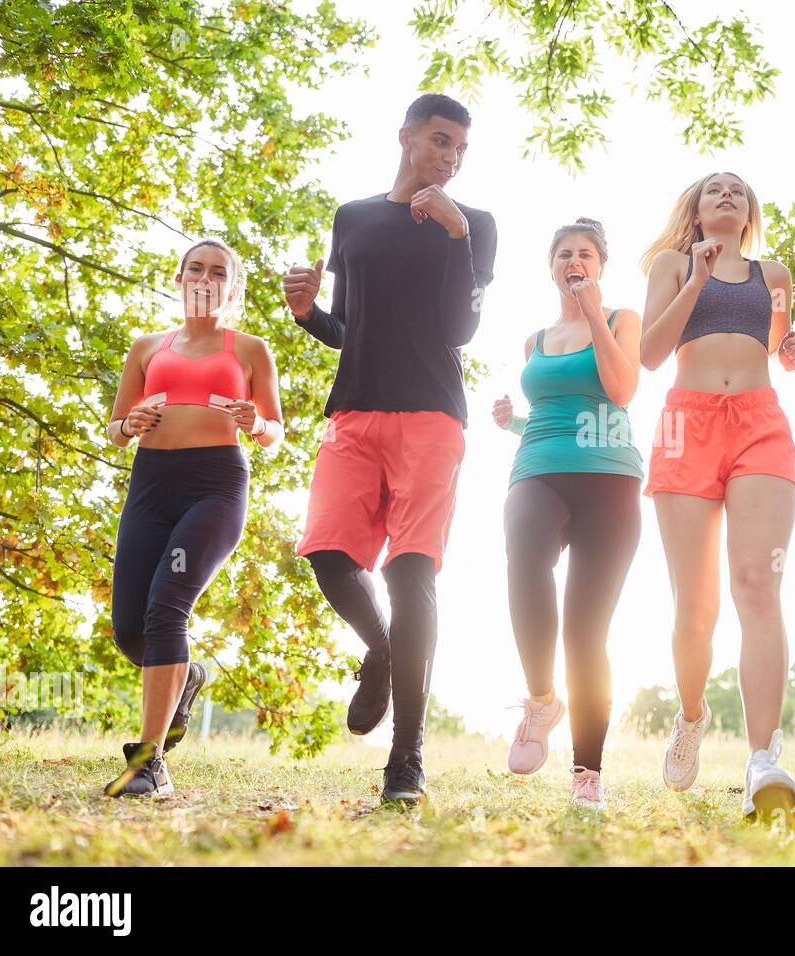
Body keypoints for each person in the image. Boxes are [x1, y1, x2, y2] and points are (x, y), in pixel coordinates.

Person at [284, 93, 497, 806]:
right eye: (440, 142)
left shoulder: (476, 226)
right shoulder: (354, 218)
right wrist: (308, 312)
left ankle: (405, 762)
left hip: (433, 417)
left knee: (413, 578)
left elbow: (459, 329)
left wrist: (459, 237)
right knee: (328, 556)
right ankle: (380, 650)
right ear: (405, 136)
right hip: (354, 412)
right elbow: (353, 328)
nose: (450, 158)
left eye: (461, 149)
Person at [639, 172, 795, 820]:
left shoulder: (775, 273)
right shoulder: (672, 263)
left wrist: (790, 349)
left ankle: (763, 755)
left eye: (737, 189)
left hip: (759, 422)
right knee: (696, 608)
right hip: (687, 423)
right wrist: (696, 281)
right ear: (695, 209)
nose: (727, 195)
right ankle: (691, 715)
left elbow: (771, 349)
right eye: (713, 189)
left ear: (750, 211)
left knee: (757, 585)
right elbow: (653, 354)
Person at [104, 237, 284, 797]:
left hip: (215, 486)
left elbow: (274, 433)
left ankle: (149, 762)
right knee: (131, 630)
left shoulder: (250, 349)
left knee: (166, 609)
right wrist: (129, 425)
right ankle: (190, 678)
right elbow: (115, 428)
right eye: (195, 268)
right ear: (180, 279)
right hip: (150, 486)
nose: (205, 278)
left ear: (232, 289)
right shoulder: (146, 347)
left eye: (218, 272)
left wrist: (256, 422)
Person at [491, 218, 643, 812]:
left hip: (611, 479)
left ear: (599, 266)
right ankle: (539, 699)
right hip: (538, 467)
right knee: (524, 560)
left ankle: (588, 774)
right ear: (551, 267)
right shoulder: (534, 339)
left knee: (586, 633)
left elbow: (622, 389)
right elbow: (554, 415)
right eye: (564, 254)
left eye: (584, 254)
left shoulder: (620, 320)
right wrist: (514, 424)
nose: (574, 261)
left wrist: (596, 312)